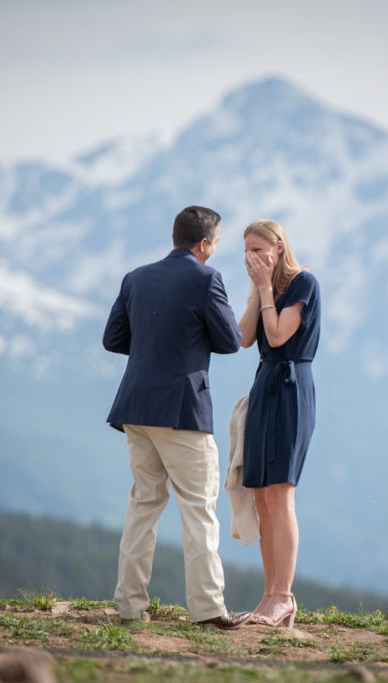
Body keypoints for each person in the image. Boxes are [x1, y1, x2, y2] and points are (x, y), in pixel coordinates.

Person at [103, 205, 252, 630]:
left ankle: (129, 605)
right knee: (199, 507)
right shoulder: (206, 279)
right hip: (183, 409)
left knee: (143, 504)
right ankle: (208, 609)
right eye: (216, 243)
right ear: (204, 244)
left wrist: (154, 345)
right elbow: (230, 340)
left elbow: (113, 338)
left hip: (136, 406)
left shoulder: (135, 278)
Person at [237, 219, 321, 629]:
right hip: (264, 385)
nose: (251, 257)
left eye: (258, 249)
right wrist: (258, 289)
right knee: (261, 496)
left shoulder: (304, 283)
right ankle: (269, 594)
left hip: (290, 387)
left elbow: (276, 336)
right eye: (246, 251)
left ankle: (283, 596)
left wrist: (266, 289)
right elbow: (244, 338)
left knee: (281, 492)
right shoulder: (263, 288)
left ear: (279, 247)